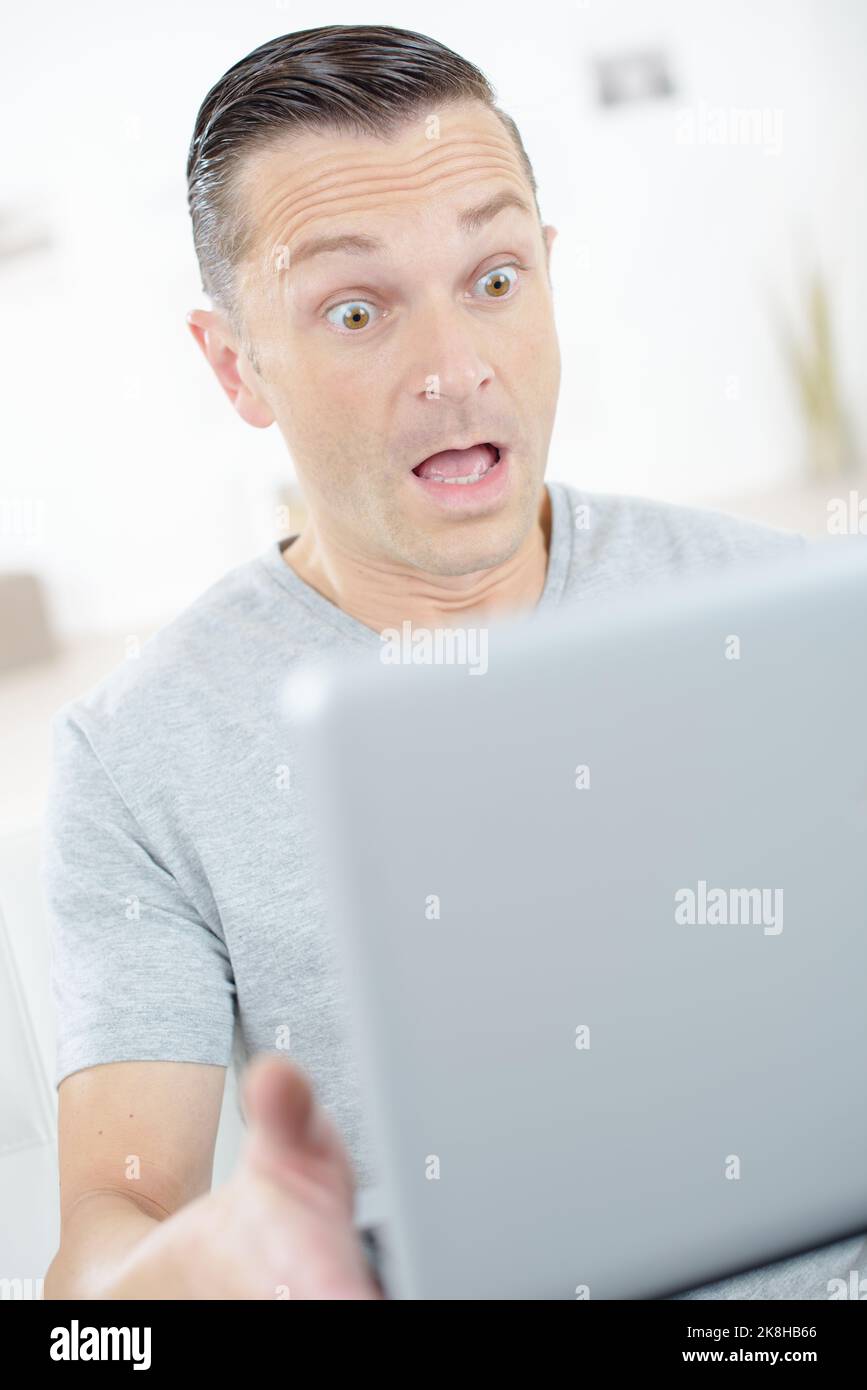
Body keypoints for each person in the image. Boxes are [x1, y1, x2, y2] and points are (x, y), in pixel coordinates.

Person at [43, 25, 864, 1300]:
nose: (456, 368)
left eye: (493, 278)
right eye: (358, 309)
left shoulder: (786, 603)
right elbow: (114, 1228)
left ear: (548, 271)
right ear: (235, 365)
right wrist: (157, 1293)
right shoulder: (138, 756)